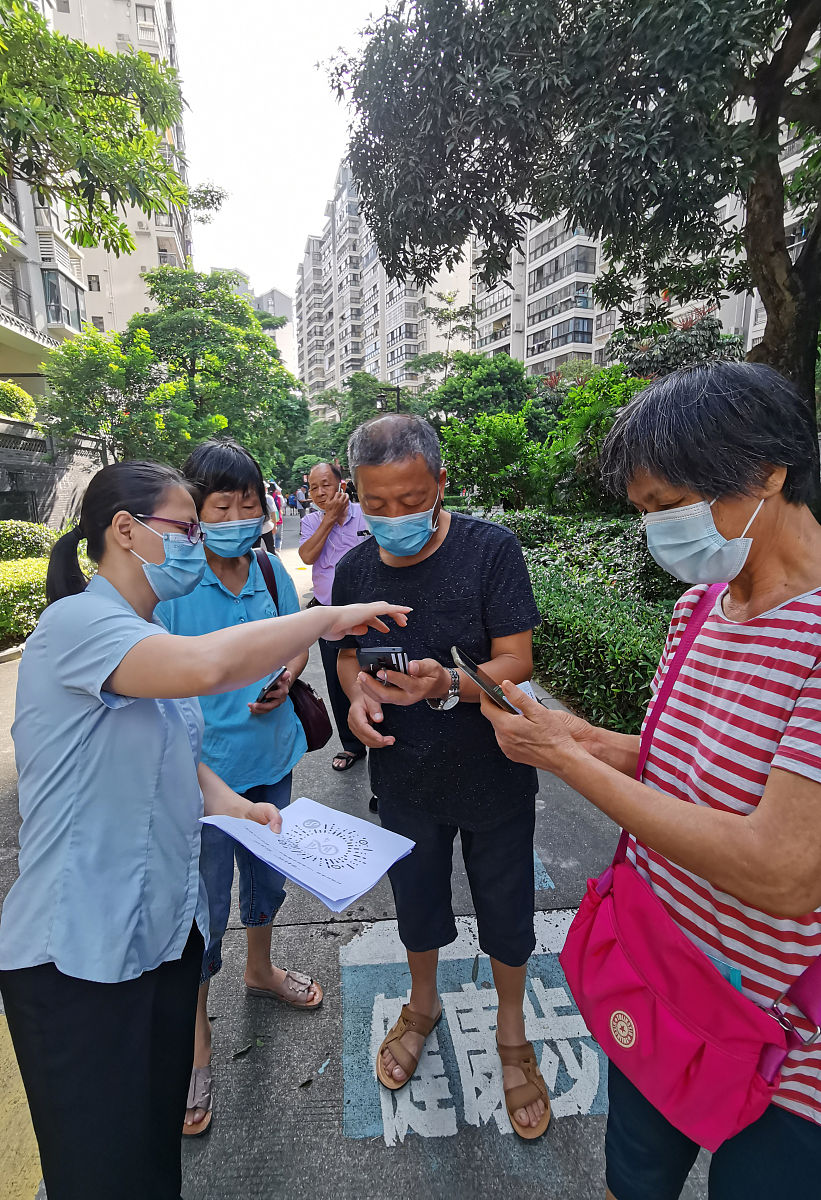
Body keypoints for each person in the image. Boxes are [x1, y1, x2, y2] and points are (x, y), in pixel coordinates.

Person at [0, 459, 408, 1200]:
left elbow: (181, 763)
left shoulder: (138, 629)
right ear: (125, 532)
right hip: (78, 958)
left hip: (158, 939)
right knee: (99, 1174)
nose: (197, 541)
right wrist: (324, 618)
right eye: (185, 527)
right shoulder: (78, 624)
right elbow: (203, 667)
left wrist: (239, 808)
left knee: (149, 1160)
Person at [481, 362, 821, 1197]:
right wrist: (587, 738)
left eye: (670, 506)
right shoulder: (700, 607)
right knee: (633, 1178)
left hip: (787, 1032)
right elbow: (688, 763)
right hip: (665, 972)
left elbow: (780, 871)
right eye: (643, 514)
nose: (658, 532)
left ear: (768, 471)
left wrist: (563, 764)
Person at [331, 413, 550, 1139]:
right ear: (355, 494)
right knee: (417, 902)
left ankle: (512, 1032)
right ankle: (420, 1004)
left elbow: (516, 660)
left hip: (493, 769)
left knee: (505, 908)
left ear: (440, 484)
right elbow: (346, 657)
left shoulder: (490, 550)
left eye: (409, 499)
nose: (393, 518)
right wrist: (360, 694)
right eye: (375, 504)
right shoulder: (357, 568)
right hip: (404, 773)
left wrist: (447, 685)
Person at [155, 439, 320, 1137]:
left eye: (247, 504)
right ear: (194, 514)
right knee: (196, 905)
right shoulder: (171, 582)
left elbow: (296, 638)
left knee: (266, 883)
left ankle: (260, 969)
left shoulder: (267, 570)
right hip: (198, 776)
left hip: (270, 755)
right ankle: (195, 1047)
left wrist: (286, 672)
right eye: (220, 505)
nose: (236, 516)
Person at [299, 460, 371, 772]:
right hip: (330, 616)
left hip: (369, 614)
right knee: (338, 683)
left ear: (341, 484)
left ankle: (387, 746)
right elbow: (307, 556)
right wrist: (328, 520)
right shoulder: (311, 521)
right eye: (313, 487)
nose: (319, 492)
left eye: (325, 484)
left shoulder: (365, 515)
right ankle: (352, 745)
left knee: (380, 677)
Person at [259, 481, 276, 552]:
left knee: (255, 550)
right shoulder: (268, 498)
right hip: (266, 526)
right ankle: (273, 562)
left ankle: (256, 563)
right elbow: (273, 513)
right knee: (271, 548)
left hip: (257, 527)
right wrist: (274, 526)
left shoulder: (252, 497)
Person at [272, 481, 285, 551]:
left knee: (271, 537)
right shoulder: (279, 497)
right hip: (278, 519)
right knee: (278, 537)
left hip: (269, 520)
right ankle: (277, 549)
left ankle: (272, 549)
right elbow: (282, 506)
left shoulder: (265, 497)